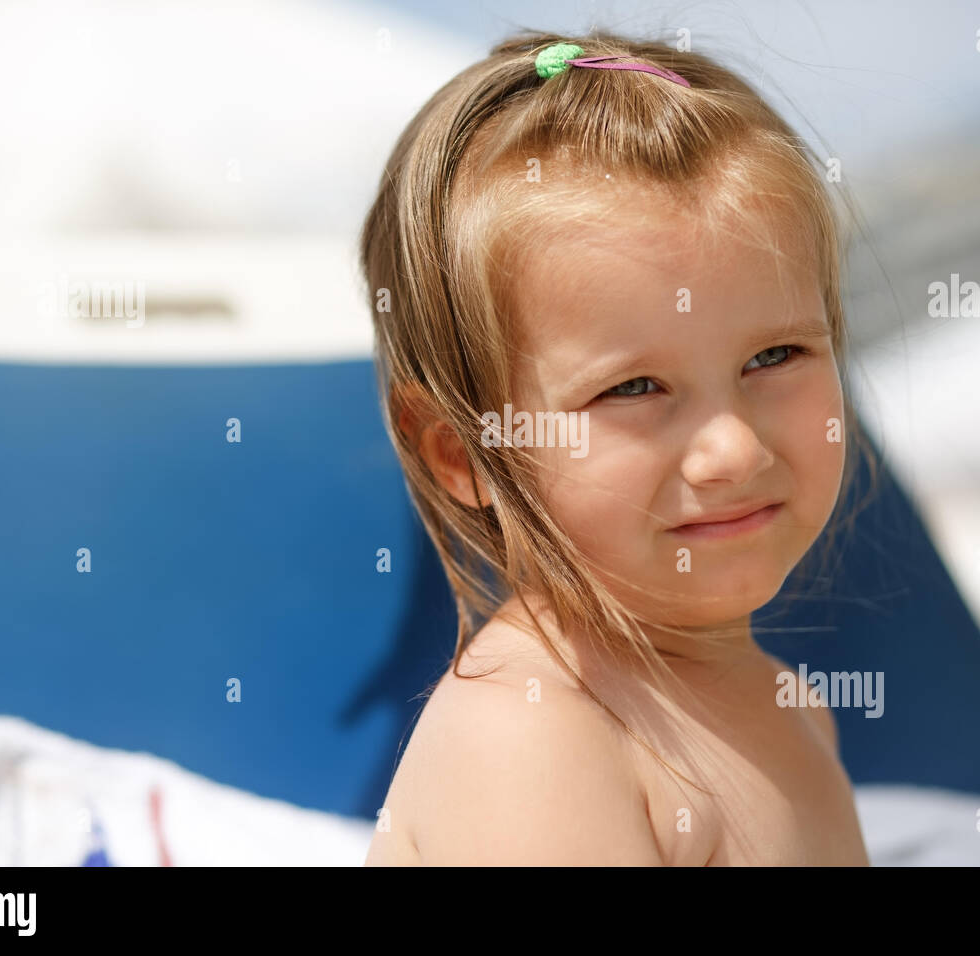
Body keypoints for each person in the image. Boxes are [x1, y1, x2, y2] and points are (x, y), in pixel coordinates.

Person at [359, 30, 877, 865]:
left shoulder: (790, 706)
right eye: (633, 389)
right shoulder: (531, 738)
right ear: (464, 454)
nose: (734, 450)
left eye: (773, 357)